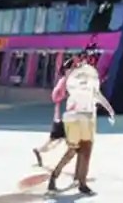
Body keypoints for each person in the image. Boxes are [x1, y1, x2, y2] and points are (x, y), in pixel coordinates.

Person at [48, 48, 115, 194]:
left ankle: (58, 175)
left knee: (74, 149)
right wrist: (110, 110)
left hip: (74, 117)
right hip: (84, 117)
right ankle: (81, 183)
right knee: (85, 150)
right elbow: (96, 94)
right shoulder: (87, 75)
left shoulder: (71, 75)